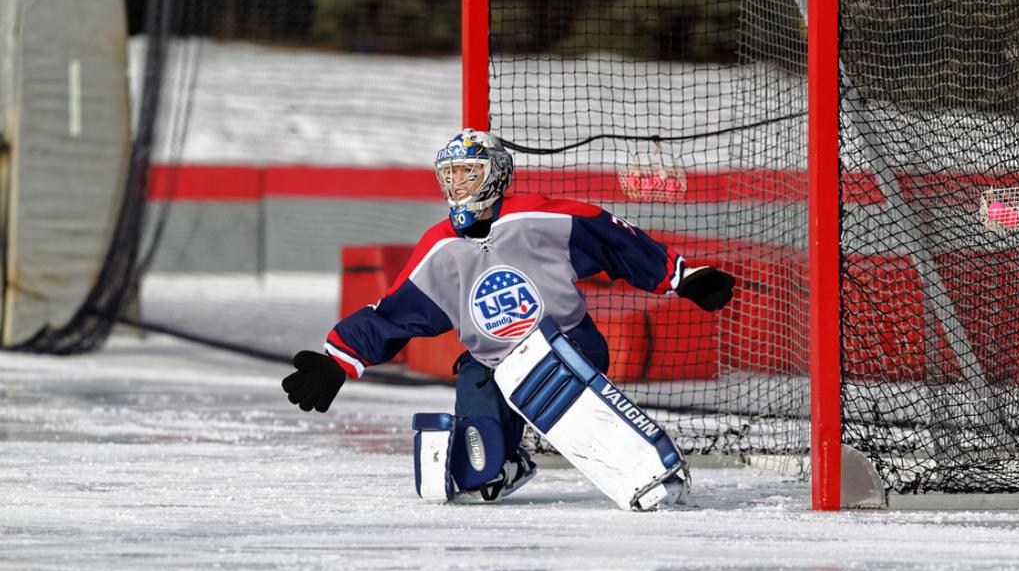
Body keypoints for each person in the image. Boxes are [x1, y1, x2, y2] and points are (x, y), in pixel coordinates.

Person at [282, 129, 735, 503]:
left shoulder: (538, 217)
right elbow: (396, 312)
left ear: (495, 175)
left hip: (567, 345)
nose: (457, 184)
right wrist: (337, 358)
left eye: (469, 172)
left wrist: (681, 275)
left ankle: (651, 470)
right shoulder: (439, 248)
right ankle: (508, 464)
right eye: (450, 174)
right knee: (477, 470)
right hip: (492, 363)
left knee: (570, 404)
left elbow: (617, 241)